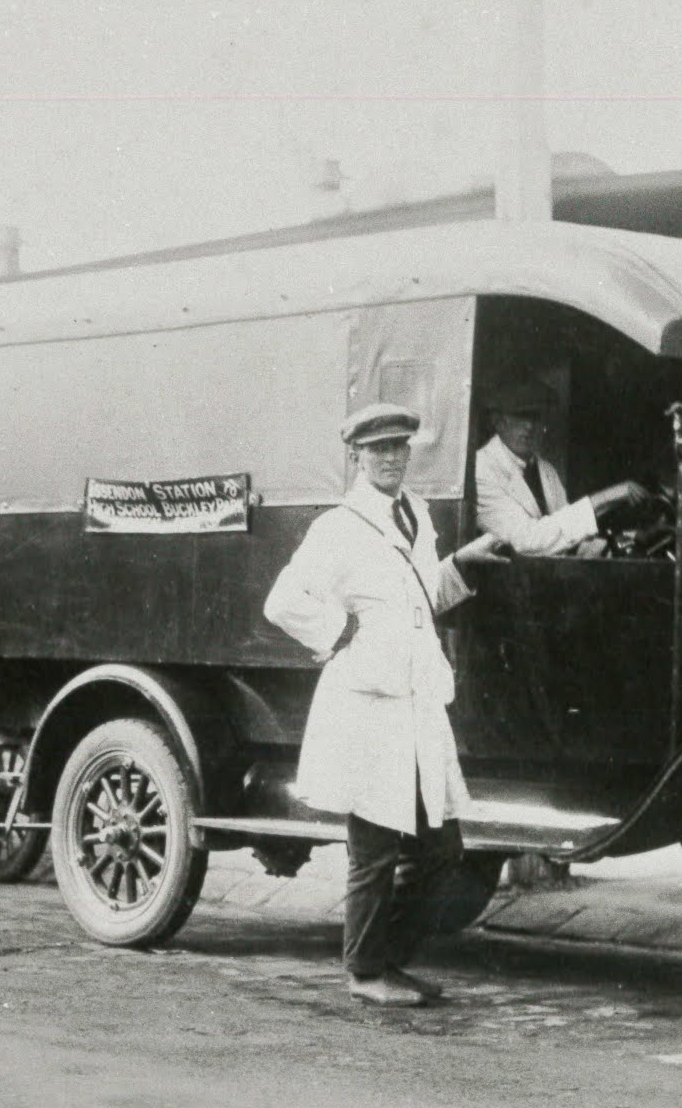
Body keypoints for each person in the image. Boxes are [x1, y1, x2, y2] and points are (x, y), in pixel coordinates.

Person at [262, 402, 508, 1008]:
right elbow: (282, 601)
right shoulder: (339, 526)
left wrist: (459, 568)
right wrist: (340, 630)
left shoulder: (415, 514)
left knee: (442, 847)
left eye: (400, 448)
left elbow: (420, 597)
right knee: (373, 850)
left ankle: (387, 960)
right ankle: (366, 971)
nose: (392, 458)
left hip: (417, 703)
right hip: (367, 707)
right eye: (379, 450)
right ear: (356, 457)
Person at [474, 377, 652, 557]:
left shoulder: (546, 470)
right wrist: (606, 497)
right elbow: (527, 541)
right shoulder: (481, 470)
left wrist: (620, 544)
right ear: (497, 421)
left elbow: (566, 538)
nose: (529, 426)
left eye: (535, 417)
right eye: (520, 416)